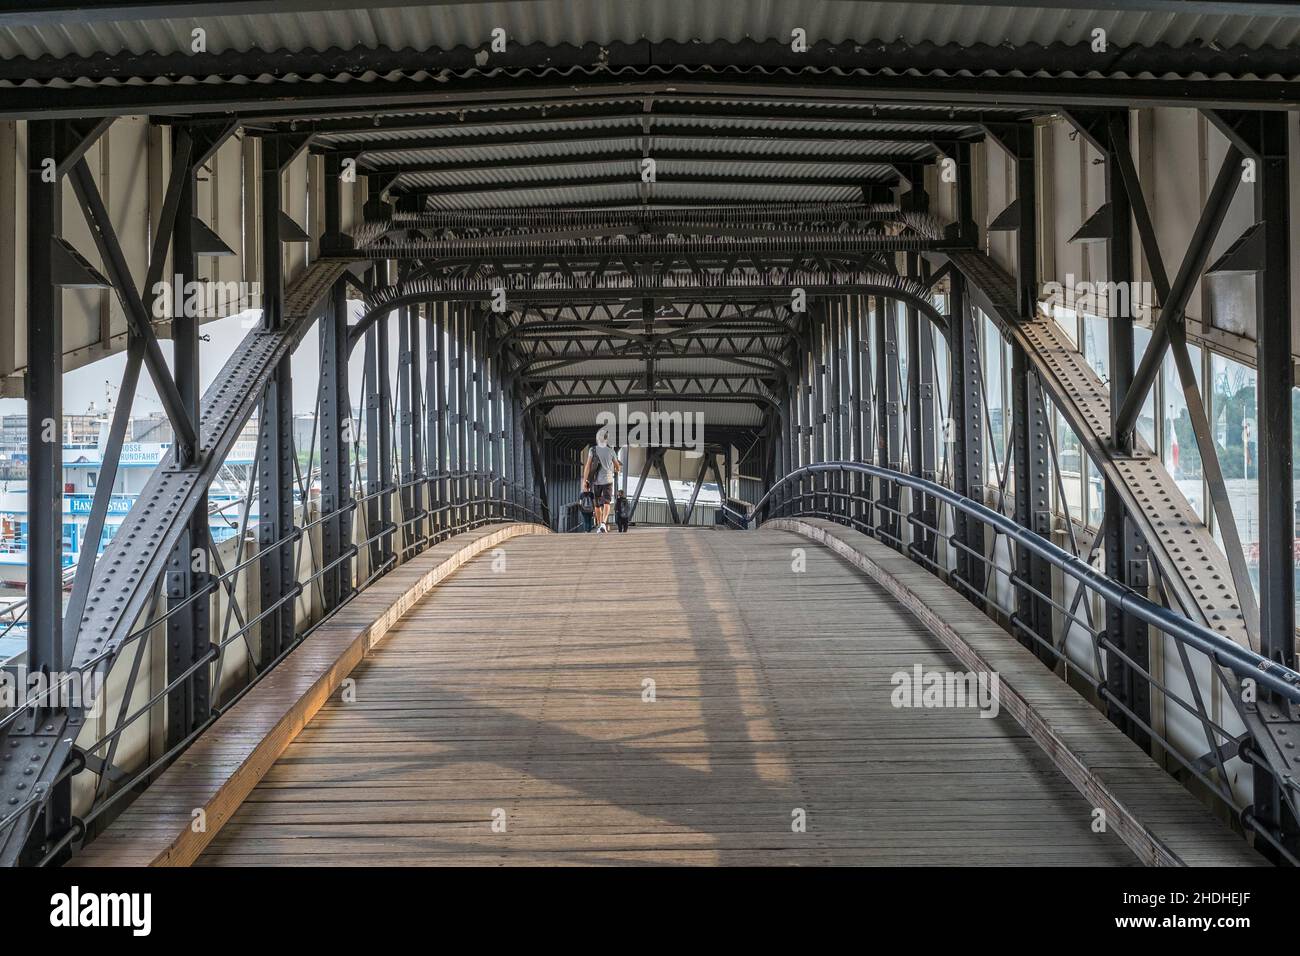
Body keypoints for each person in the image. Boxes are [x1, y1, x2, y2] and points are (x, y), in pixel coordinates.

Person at [583, 427, 621, 533]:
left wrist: (584, 481)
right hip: (608, 480)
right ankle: (603, 523)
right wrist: (616, 470)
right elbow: (617, 466)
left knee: (597, 504)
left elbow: (588, 466)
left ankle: (599, 524)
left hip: (595, 481)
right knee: (607, 502)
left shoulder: (592, 450)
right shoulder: (611, 451)